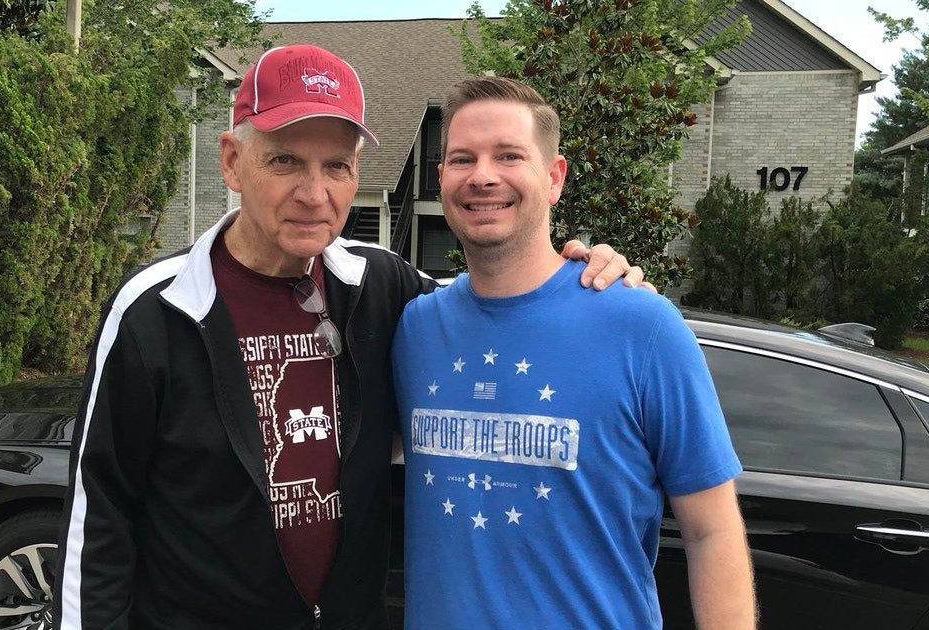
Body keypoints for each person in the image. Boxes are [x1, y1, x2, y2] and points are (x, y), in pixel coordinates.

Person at [54, 45, 643, 629]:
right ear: (232, 161)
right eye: (285, 162)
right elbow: (98, 518)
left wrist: (583, 273)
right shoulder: (157, 310)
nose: (316, 194)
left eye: (336, 166)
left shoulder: (383, 289)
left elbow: (499, 303)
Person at [392, 76, 756, 630]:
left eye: (509, 155)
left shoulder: (642, 325)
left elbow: (712, 531)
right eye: (462, 159)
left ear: (554, 176)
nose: (483, 175)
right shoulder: (415, 328)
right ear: (442, 180)